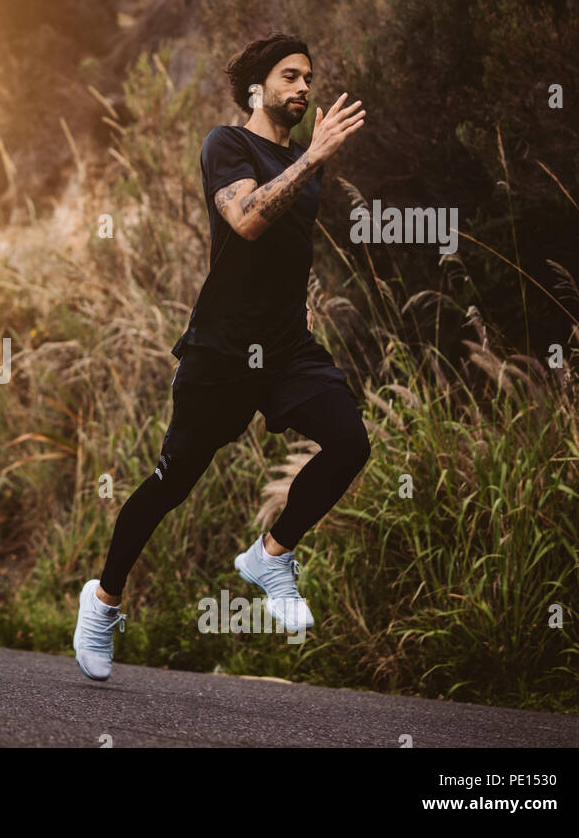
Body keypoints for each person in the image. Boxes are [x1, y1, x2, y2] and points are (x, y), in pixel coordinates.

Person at [73, 33, 371, 682]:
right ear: (257, 86)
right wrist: (314, 156)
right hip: (223, 349)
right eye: (289, 75)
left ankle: (271, 554)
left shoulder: (303, 162)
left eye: (309, 78)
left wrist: (304, 313)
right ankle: (102, 601)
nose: (302, 87)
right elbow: (247, 222)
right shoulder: (226, 144)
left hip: (288, 347)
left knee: (350, 443)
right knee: (171, 483)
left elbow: (289, 253)